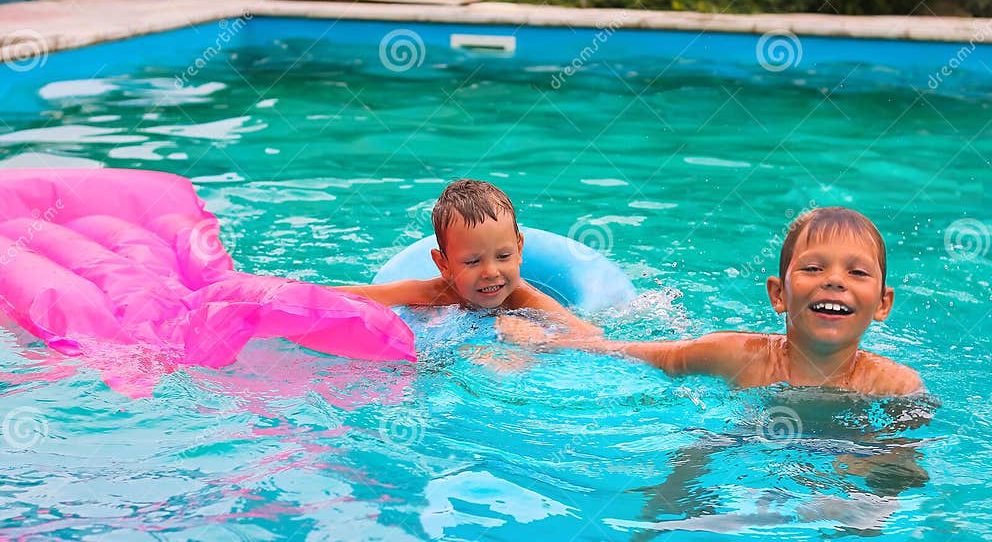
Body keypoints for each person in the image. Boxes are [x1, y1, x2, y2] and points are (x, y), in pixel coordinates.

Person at [498, 206, 923, 396]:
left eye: (857, 273)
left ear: (882, 304)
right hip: (743, 447)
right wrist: (547, 343)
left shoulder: (894, 385)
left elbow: (904, 469)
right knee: (693, 458)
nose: (834, 281)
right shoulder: (737, 356)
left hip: (847, 460)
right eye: (813, 268)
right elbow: (643, 353)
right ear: (778, 294)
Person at [339, 179, 599, 335]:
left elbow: (591, 336)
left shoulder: (524, 299)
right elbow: (358, 297)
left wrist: (541, 339)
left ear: (519, 250)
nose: (491, 272)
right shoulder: (436, 292)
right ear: (443, 264)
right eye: (473, 262)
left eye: (503, 256)